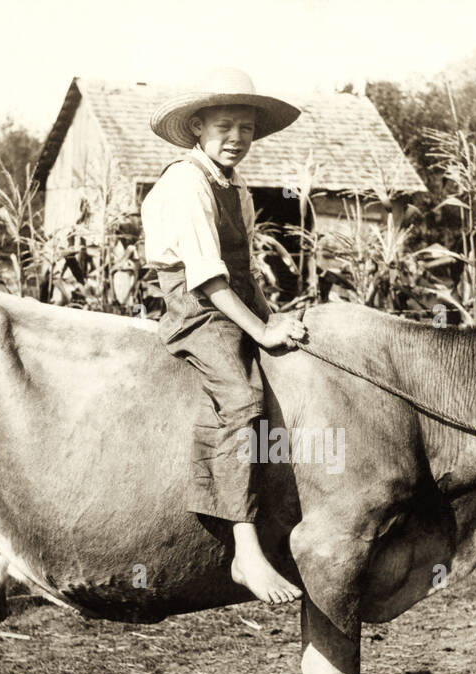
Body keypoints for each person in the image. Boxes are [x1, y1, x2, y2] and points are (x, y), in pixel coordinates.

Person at [141, 68, 307, 604]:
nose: (237, 138)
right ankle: (245, 551)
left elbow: (244, 272)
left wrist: (274, 320)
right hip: (195, 307)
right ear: (196, 127)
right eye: (224, 126)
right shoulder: (186, 182)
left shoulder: (235, 185)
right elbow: (209, 278)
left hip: (230, 299)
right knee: (242, 398)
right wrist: (257, 328)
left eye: (246, 128)